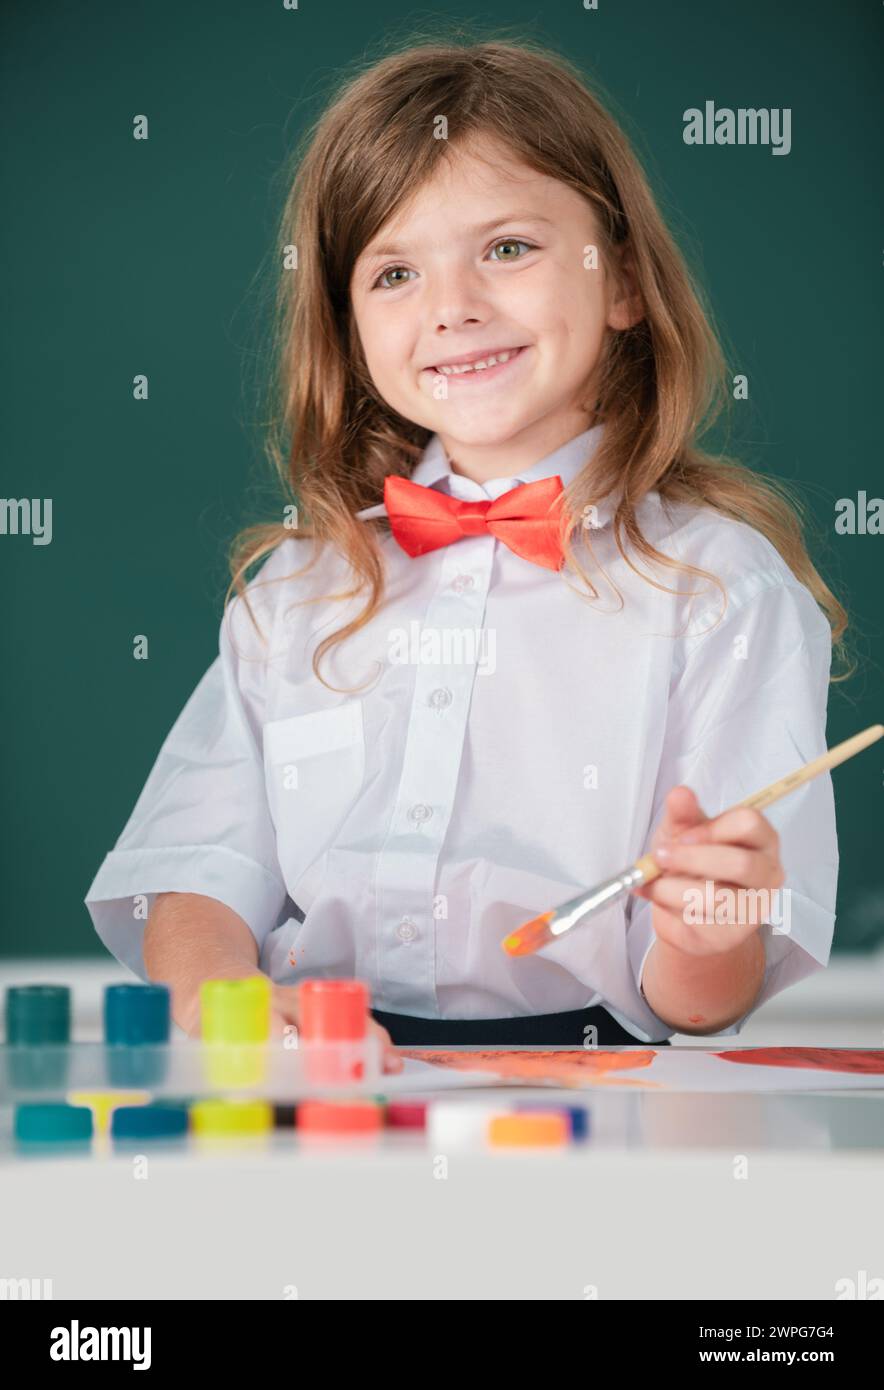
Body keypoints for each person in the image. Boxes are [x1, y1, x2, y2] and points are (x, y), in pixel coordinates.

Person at [85, 40, 844, 1069]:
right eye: (394, 272)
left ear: (620, 279)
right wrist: (230, 998)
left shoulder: (719, 589)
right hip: (323, 1076)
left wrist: (706, 929)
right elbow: (190, 875)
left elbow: (699, 1004)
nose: (451, 306)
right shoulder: (302, 588)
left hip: (604, 1091)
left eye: (507, 249)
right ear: (348, 330)